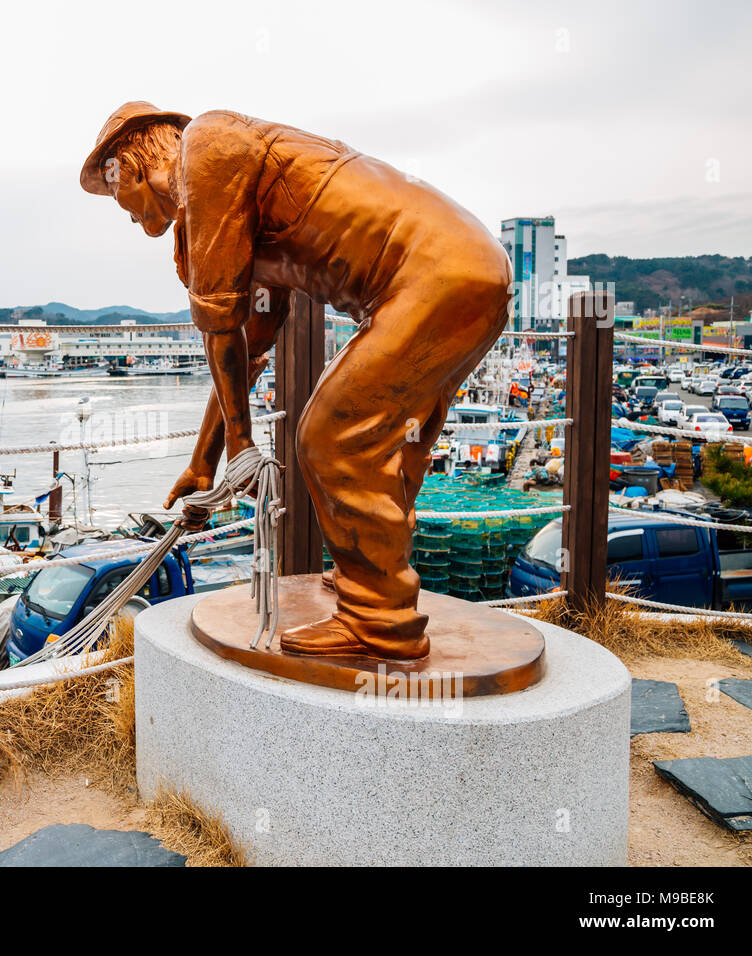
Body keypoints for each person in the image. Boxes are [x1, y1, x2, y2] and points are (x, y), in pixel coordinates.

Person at [81, 102, 511, 660]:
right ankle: (373, 580)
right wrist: (205, 461)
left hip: (434, 274)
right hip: (465, 270)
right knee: (390, 443)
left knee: (332, 439)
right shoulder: (234, 194)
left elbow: (219, 322)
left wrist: (239, 444)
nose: (129, 215)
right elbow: (247, 345)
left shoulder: (208, 148)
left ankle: (380, 621)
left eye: (116, 192)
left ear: (133, 161)